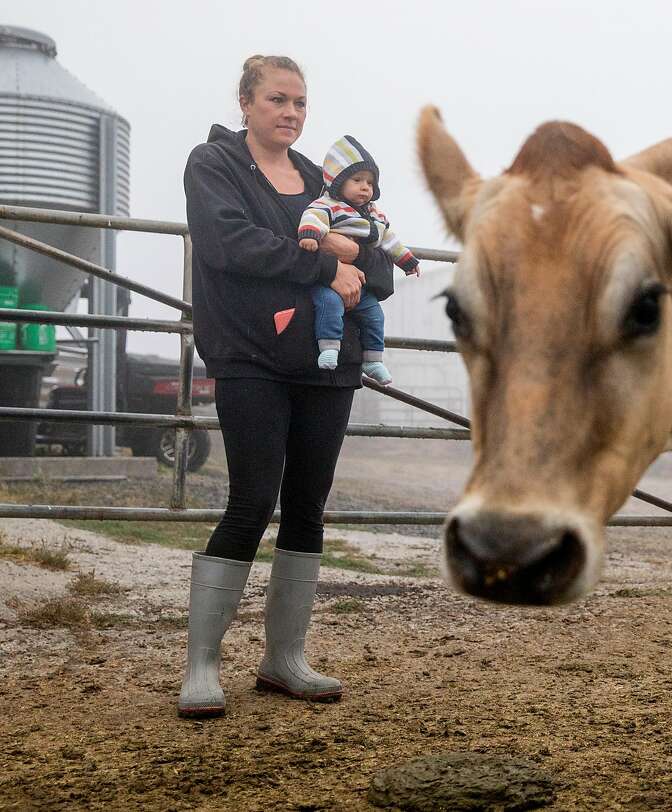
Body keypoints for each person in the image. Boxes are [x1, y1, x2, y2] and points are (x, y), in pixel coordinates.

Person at [178, 54, 396, 718]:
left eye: (300, 103)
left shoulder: (322, 181)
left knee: (308, 506)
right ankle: (202, 668)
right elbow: (229, 245)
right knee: (250, 502)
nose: (291, 113)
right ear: (245, 102)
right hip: (250, 358)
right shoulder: (212, 165)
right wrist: (325, 269)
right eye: (277, 100)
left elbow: (382, 269)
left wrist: (347, 257)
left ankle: (284, 659)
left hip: (327, 366)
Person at [297, 135, 421, 385]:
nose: (366, 187)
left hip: (360, 282)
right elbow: (313, 217)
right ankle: (329, 347)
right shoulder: (328, 205)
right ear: (338, 182)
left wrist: (406, 260)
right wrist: (310, 235)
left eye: (370, 182)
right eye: (357, 180)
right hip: (327, 279)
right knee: (328, 304)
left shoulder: (375, 214)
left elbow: (389, 239)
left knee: (375, 314)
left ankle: (373, 359)